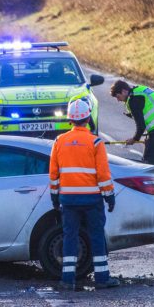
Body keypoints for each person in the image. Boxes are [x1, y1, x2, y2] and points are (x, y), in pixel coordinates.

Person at [49, 98, 121, 291]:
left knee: (70, 237)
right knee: (96, 236)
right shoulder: (95, 142)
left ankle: (67, 279)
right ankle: (102, 278)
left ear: (70, 120)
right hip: (92, 199)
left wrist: (54, 197)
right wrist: (109, 196)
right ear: (88, 119)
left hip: (68, 200)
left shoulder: (59, 141)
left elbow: (54, 174)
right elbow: (103, 175)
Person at [110, 78, 154, 181]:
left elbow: (141, 126)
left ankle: (150, 191)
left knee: (149, 169)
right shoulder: (141, 90)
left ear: (124, 91)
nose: (118, 100)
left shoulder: (133, 100)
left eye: (118, 96)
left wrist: (134, 139)